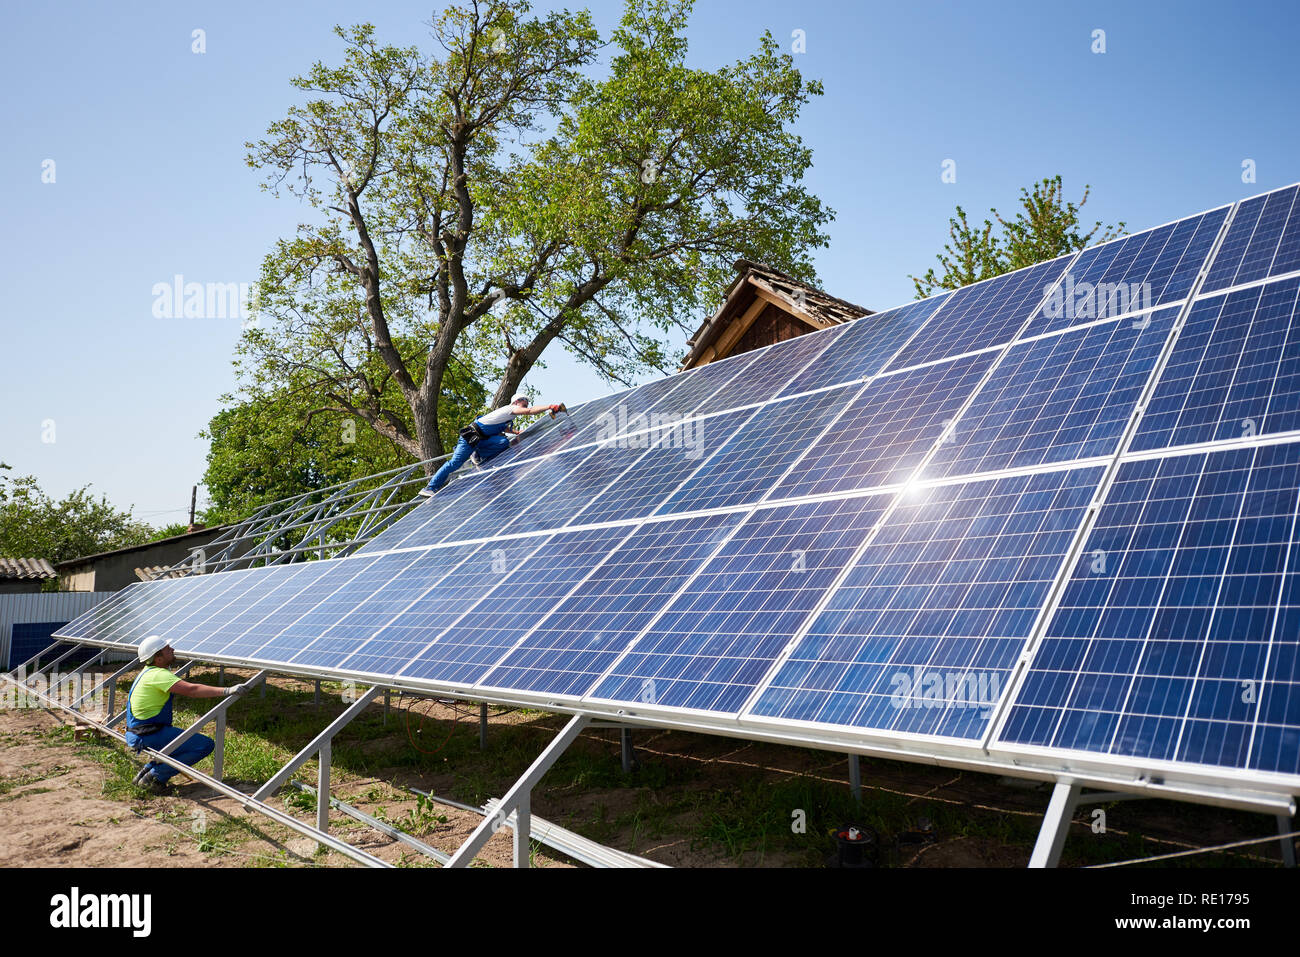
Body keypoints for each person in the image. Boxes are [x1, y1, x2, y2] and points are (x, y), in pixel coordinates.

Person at [126, 635, 247, 792]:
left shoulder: (147, 672)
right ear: (158, 658)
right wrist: (227, 690)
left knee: (179, 744)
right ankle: (156, 778)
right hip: (148, 733)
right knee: (204, 745)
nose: (172, 649)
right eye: (167, 649)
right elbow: (192, 690)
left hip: (140, 731)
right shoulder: (158, 675)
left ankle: (146, 774)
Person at [419, 394, 563, 496]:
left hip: (481, 440)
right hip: (470, 438)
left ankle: (478, 454)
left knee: (503, 442)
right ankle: (431, 487)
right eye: (524, 403)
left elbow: (501, 427)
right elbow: (530, 412)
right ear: (517, 402)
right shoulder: (509, 409)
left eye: (526, 404)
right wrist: (550, 406)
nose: (526, 406)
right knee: (455, 464)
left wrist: (516, 431)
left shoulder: (508, 416)